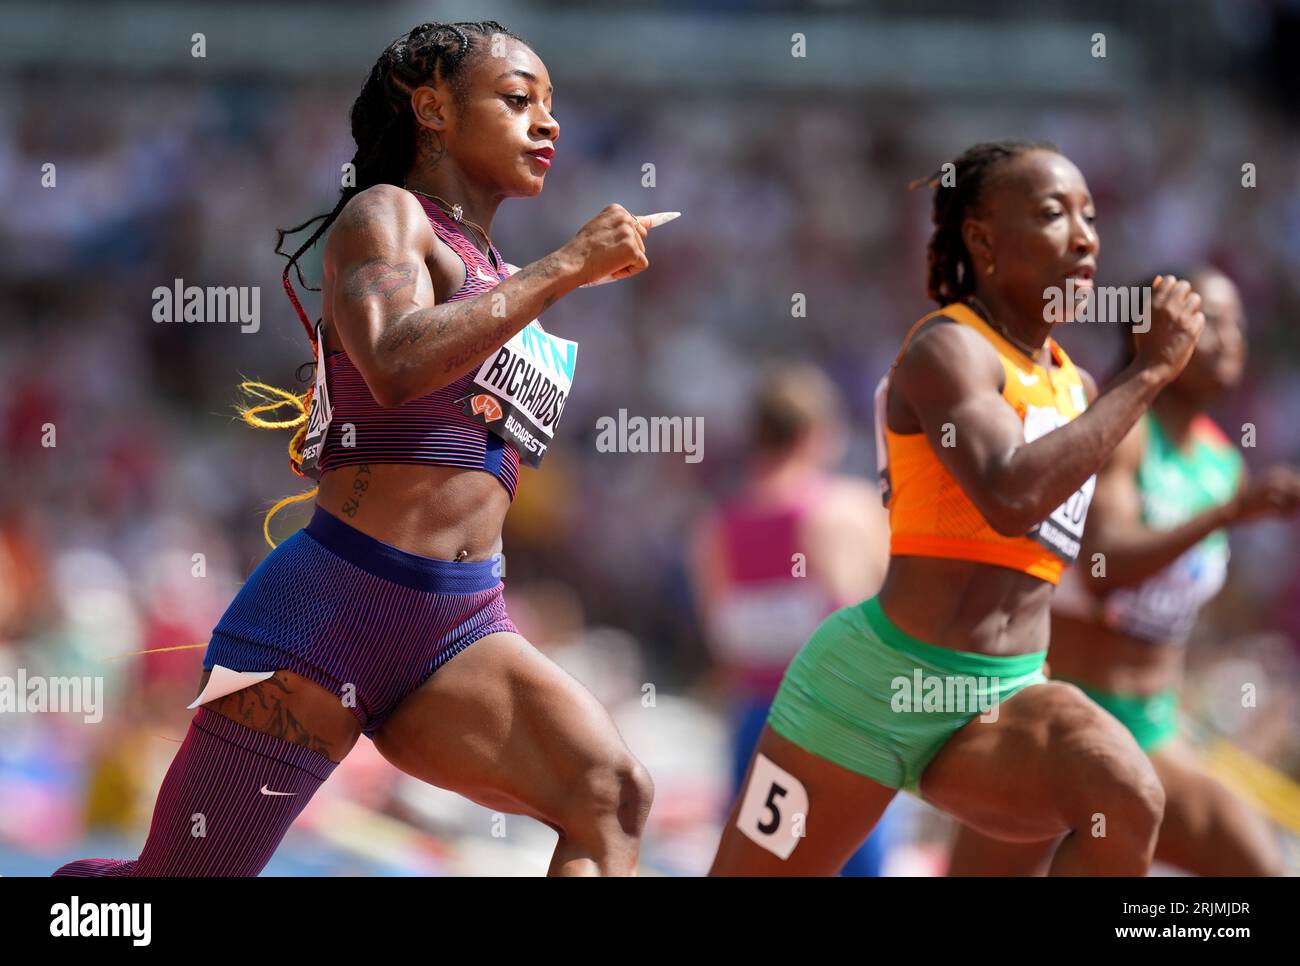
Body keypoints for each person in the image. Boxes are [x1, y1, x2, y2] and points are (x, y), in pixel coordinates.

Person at [55, 20, 669, 877]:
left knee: (612, 795)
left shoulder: (495, 268)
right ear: (434, 109)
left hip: (459, 629)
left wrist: (546, 276)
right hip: (332, 613)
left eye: (553, 107)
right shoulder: (385, 216)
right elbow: (392, 363)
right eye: (519, 99)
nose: (549, 124)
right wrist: (564, 267)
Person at [710, 140, 1204, 876]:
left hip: (1001, 698)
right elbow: (1010, 496)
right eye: (1051, 213)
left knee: (1126, 793)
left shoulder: (1078, 390)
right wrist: (1154, 372)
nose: (1084, 235)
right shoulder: (949, 351)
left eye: (1090, 216)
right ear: (981, 237)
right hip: (871, 688)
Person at [949, 267, 1300, 876]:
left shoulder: (1221, 461)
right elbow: (1105, 565)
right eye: (1209, 321)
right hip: (1062, 724)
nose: (1230, 338)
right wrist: (1230, 515)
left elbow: (1182, 610)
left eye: (1236, 323)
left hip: (1152, 726)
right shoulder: (1119, 432)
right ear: (1153, 332)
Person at [690, 363, 892, 874]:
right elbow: (885, 622)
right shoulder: (847, 510)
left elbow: (722, 639)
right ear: (817, 436)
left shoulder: (717, 527)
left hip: (761, 725)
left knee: (765, 866)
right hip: (848, 727)